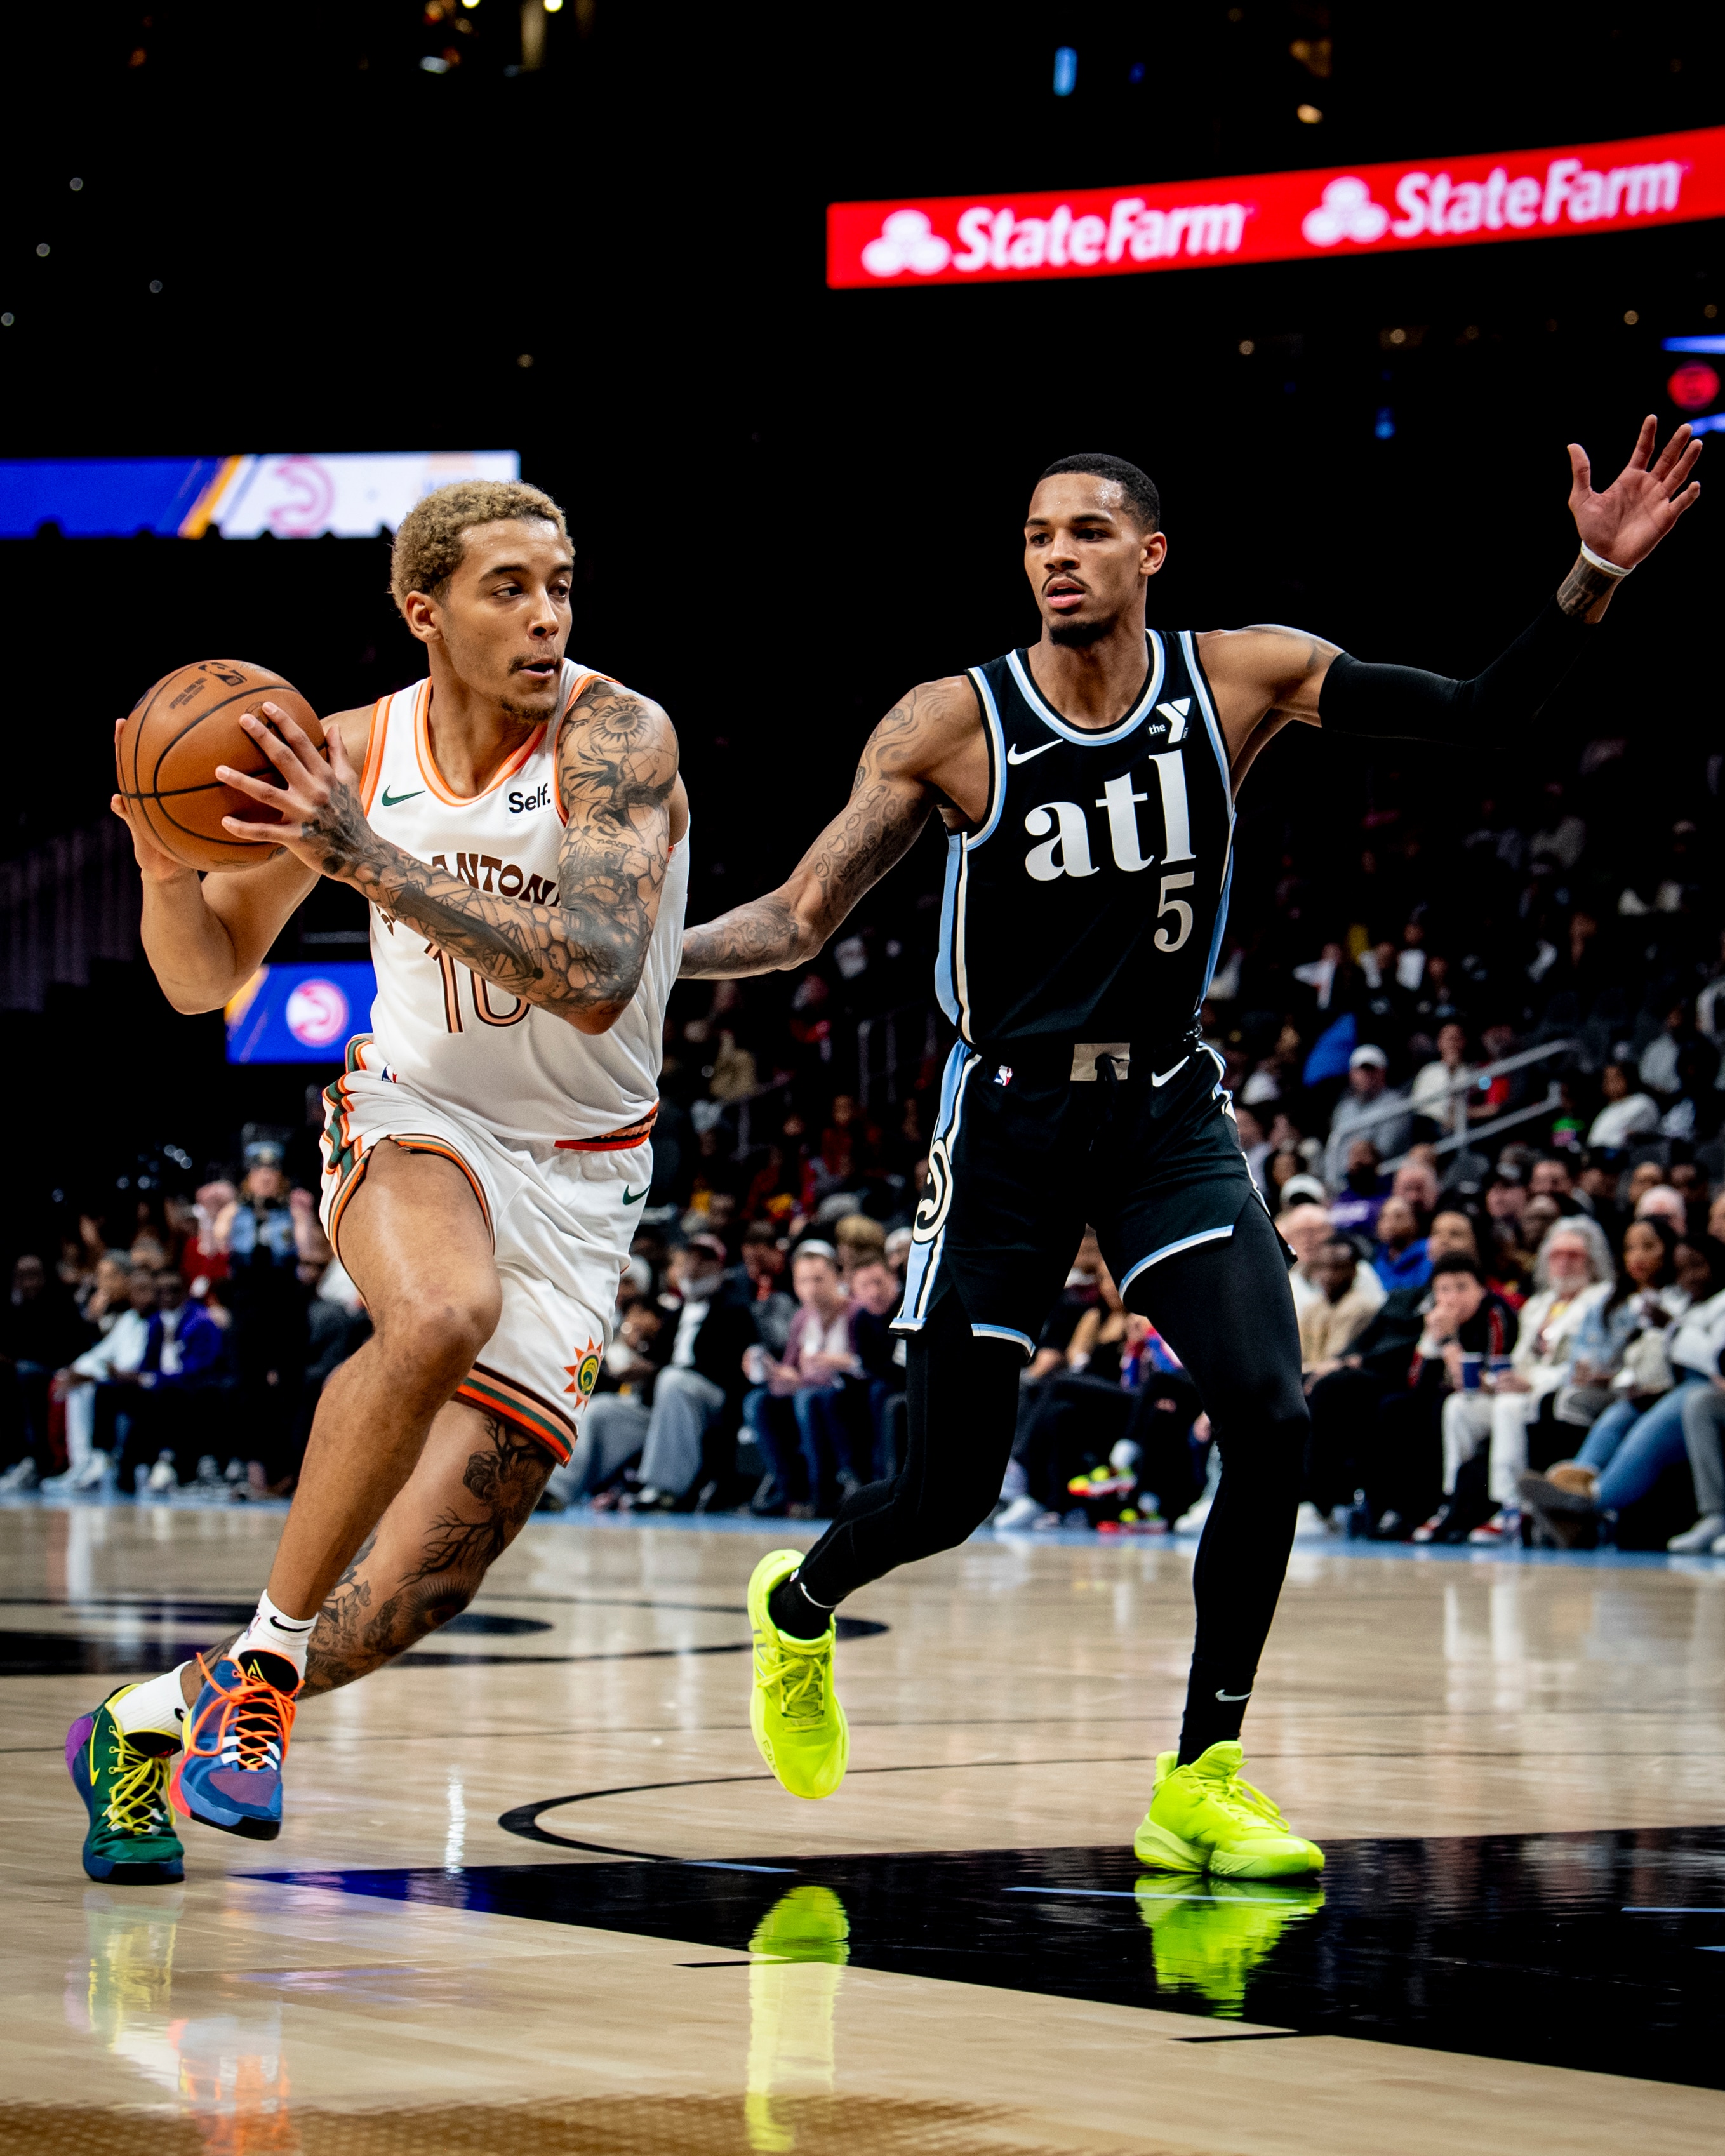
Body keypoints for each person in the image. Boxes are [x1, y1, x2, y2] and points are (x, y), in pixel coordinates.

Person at [678, 421, 1699, 1875]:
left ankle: (1200, 1777)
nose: (1056, 556)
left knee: (1272, 1417)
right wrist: (645, 966)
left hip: (1161, 1109)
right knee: (944, 1494)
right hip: (1009, 1120)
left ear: (1149, 553)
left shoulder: (1238, 677)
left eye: (1086, 532)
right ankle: (799, 1605)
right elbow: (795, 921)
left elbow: (1480, 715)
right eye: (1036, 536)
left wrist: (1591, 575)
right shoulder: (948, 723)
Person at [71, 478, 686, 1885]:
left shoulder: (616, 737)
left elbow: (598, 976)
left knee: (423, 1585)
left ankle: (144, 1723)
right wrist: (164, 870)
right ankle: (264, 1678)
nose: (546, 616)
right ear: (424, 610)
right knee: (442, 1310)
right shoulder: (347, 751)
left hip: (589, 1181)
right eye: (507, 588)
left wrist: (365, 859)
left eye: (560, 585)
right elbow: (203, 981)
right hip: (419, 1115)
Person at [1418, 1218, 1611, 1545]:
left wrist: (1528, 1383)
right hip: (1521, 1388)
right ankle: (1455, 1499)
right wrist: (1500, 1381)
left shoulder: (1599, 1301)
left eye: (1574, 1255)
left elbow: (1584, 1364)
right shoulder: (1539, 1305)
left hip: (1558, 1392)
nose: (1564, 1263)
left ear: (1592, 1260)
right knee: (1460, 1406)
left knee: (1508, 1407)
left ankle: (1509, 1506)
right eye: (1557, 1254)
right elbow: (1519, 1358)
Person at [1324, 1046, 1412, 1190]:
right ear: (1352, 1074)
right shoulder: (1344, 1108)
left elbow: (1384, 1150)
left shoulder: (1396, 1104)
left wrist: (1356, 1155)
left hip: (1380, 1181)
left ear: (1383, 1072)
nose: (1366, 1075)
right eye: (1361, 1070)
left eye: (1371, 1070)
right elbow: (1334, 1149)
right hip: (1344, 1182)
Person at [1588, 1061, 1660, 1149]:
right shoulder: (1608, 1109)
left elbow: (1631, 1138)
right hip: (1598, 1153)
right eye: (1607, 1079)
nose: (1610, 1083)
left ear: (1628, 1078)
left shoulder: (1642, 1102)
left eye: (1616, 1078)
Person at [1370, 1195, 1431, 1294]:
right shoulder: (1374, 1257)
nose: (1389, 1223)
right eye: (1383, 1216)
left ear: (1415, 1221)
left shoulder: (1429, 1253)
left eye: (1398, 1216)